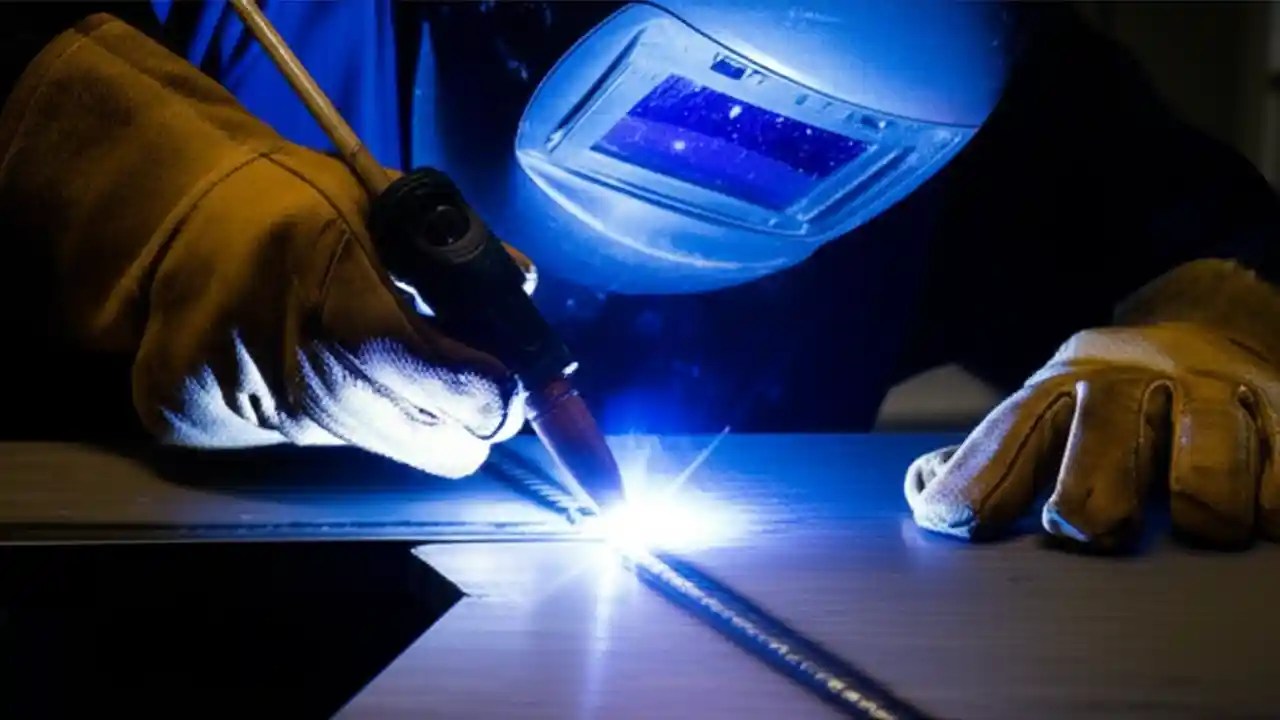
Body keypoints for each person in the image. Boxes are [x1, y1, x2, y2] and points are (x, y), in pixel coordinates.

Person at [1, 1, 1278, 551]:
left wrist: (1211, 320)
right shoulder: (263, 24)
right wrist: (131, 189)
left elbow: (1205, 227)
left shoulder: (986, 87)